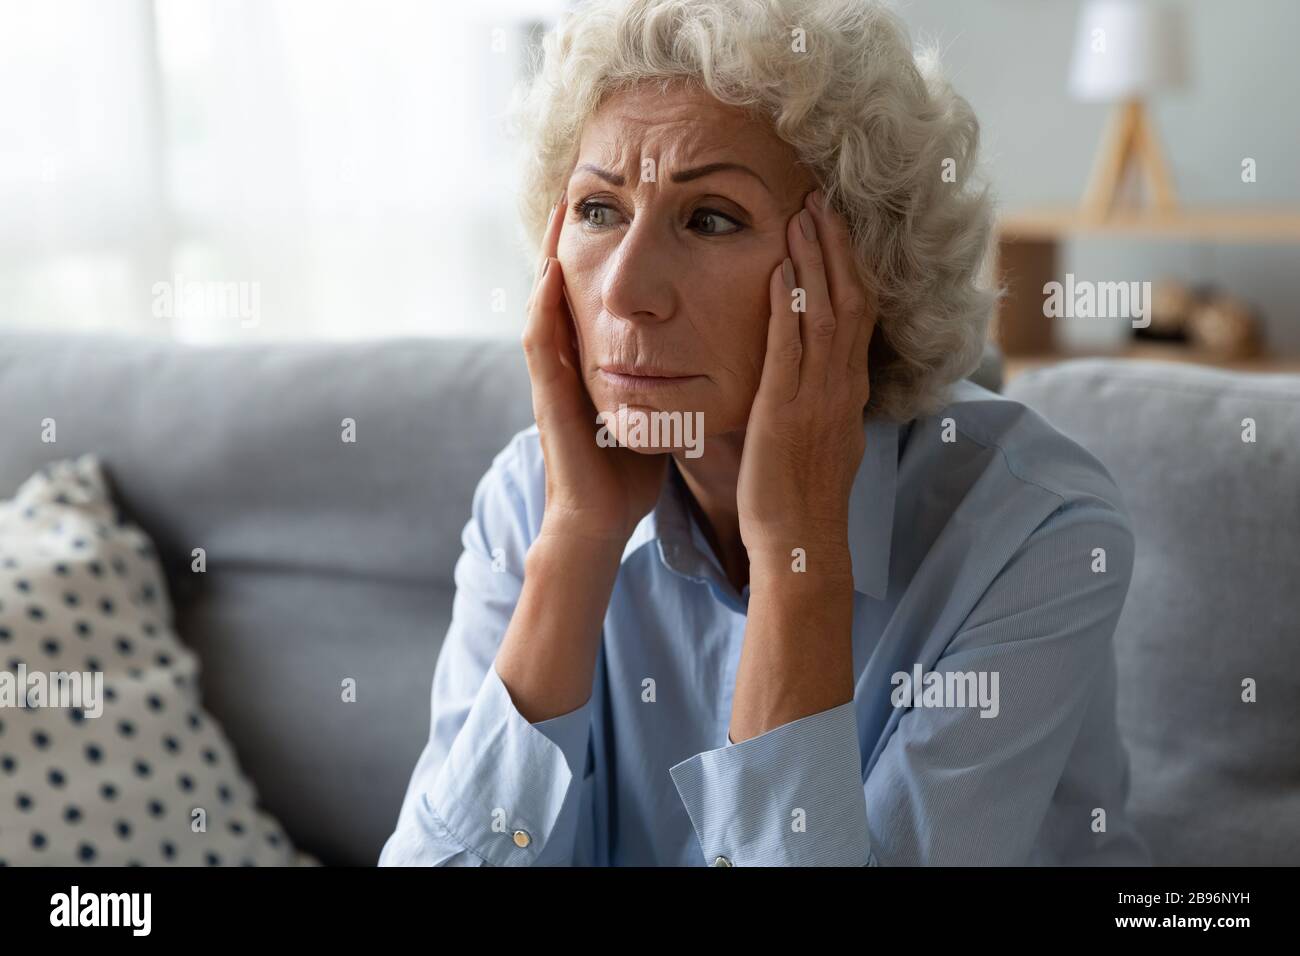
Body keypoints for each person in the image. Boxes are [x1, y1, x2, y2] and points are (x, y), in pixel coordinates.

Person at [380, 0, 1149, 866]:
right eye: (598, 210)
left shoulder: (1036, 530)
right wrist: (575, 540)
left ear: (862, 269)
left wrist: (801, 553)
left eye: (711, 218)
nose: (625, 289)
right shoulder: (531, 500)